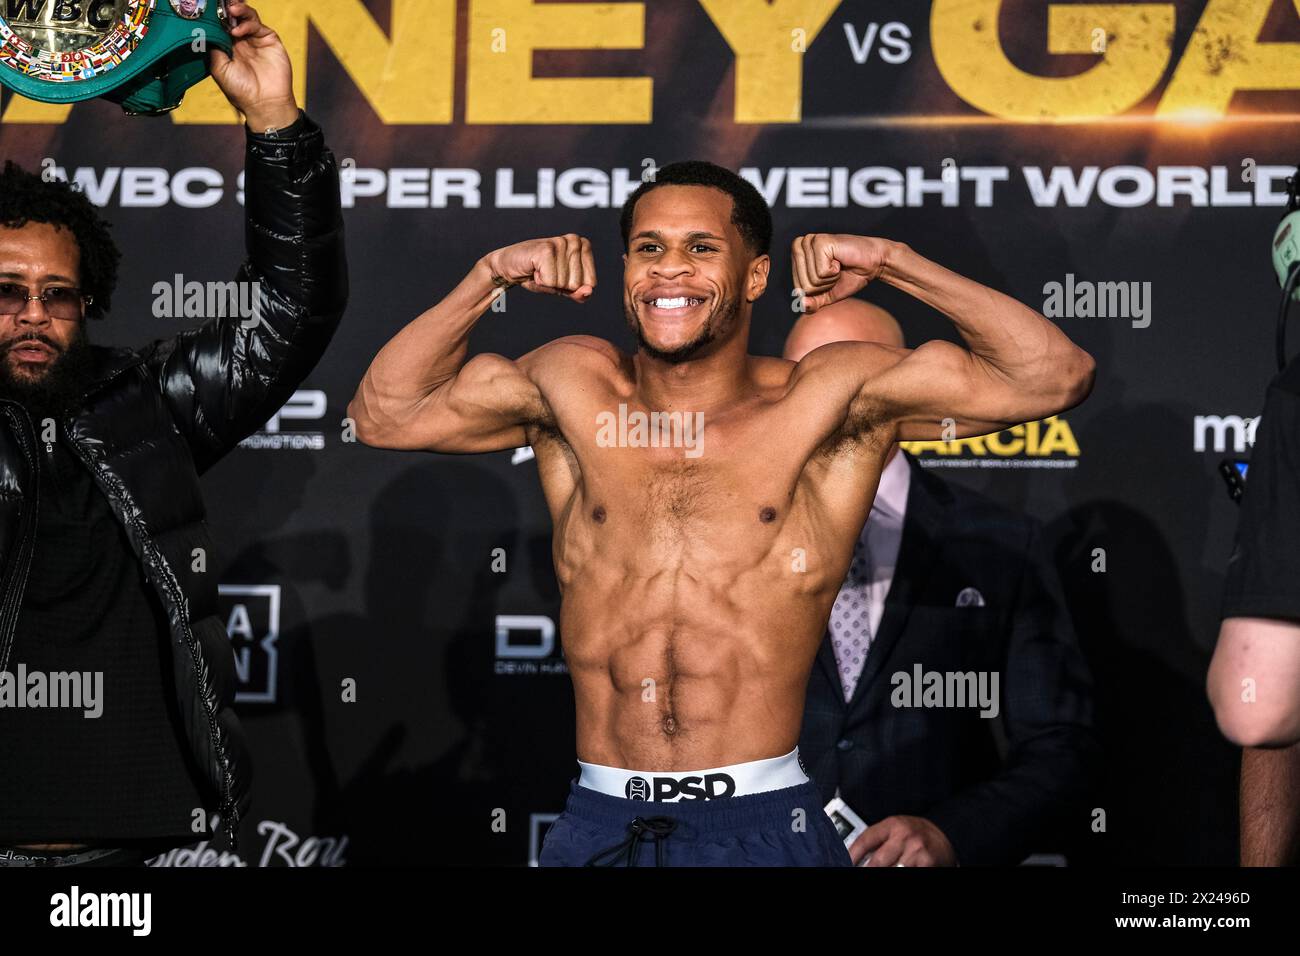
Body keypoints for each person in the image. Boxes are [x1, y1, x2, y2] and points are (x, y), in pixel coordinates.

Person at [349, 160, 1094, 866]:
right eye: (649, 248)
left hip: (762, 823)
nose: (670, 269)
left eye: (701, 248)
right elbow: (384, 415)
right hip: (601, 820)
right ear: (625, 269)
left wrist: (894, 261)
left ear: (756, 275)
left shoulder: (824, 402)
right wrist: (488, 277)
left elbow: (1052, 376)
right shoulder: (572, 386)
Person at [0, 1, 348, 867]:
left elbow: (291, 309)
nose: (34, 314)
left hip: (138, 844)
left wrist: (274, 124)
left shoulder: (144, 404)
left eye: (58, 294)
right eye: (6, 291)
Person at [787, 297, 1098, 867]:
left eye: (851, 371)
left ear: (913, 385)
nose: (825, 395)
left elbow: (1059, 744)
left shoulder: (999, 543)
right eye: (803, 374)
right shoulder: (729, 536)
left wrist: (952, 834)